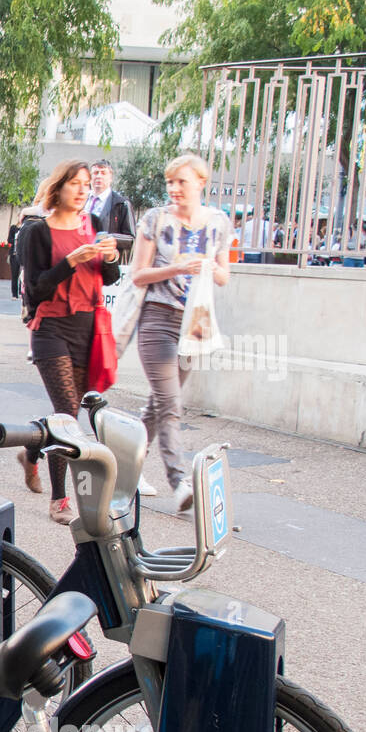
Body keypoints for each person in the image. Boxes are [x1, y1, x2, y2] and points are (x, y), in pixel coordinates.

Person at [128, 153, 232, 510]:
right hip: (158, 319)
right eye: (170, 182)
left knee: (159, 405)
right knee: (171, 404)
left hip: (194, 324)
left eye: (181, 182)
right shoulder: (156, 220)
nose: (174, 188)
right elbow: (137, 274)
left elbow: (223, 274)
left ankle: (126, 467)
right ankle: (180, 481)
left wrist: (207, 268)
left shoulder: (218, 222)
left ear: (200, 183)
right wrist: (174, 269)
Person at [19, 161, 119, 525]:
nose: (81, 190)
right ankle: (60, 499)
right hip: (51, 329)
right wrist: (70, 262)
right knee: (66, 413)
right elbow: (36, 288)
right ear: (57, 188)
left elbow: (109, 278)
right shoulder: (38, 232)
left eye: (85, 185)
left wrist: (110, 258)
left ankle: (32, 447)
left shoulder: (94, 226)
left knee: (69, 410)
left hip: (87, 329)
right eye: (74, 184)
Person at [87, 160, 135, 238]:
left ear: (110, 178)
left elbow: (131, 238)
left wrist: (109, 239)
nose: (99, 176)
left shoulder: (121, 204)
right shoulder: (81, 200)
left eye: (103, 173)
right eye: (95, 173)